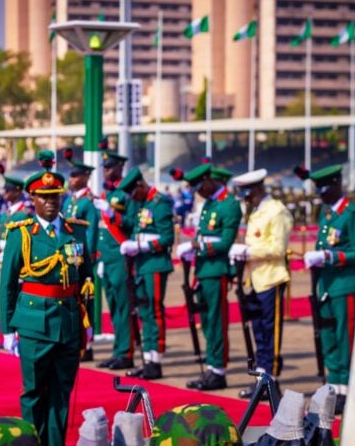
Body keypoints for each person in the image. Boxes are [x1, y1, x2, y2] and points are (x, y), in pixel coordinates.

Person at [0, 168, 93, 446]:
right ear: (33, 199)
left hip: (68, 321)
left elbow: (87, 279)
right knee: (34, 390)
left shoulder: (74, 230)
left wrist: (90, 323)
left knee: (61, 389)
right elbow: (8, 283)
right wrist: (6, 329)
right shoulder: (22, 232)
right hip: (34, 323)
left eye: (55, 196)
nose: (51, 202)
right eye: (44, 197)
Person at [300, 165, 355, 414]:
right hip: (326, 285)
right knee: (328, 337)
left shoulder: (352, 214)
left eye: (324, 189)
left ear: (337, 185)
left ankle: (347, 388)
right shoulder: (327, 213)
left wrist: (328, 256)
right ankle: (334, 384)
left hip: (344, 284)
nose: (321, 194)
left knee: (344, 337)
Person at [175, 164, 242, 391]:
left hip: (217, 270)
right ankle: (212, 366)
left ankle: (218, 370)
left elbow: (225, 242)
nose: (197, 193)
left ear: (206, 182)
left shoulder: (229, 205)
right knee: (206, 321)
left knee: (216, 321)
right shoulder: (211, 204)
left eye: (198, 188)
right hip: (204, 270)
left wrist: (196, 245)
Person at [229, 169, 294, 399]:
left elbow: (277, 249)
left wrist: (248, 252)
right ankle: (261, 380)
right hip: (255, 280)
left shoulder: (276, 212)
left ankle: (271, 380)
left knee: (270, 333)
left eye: (248, 195)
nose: (246, 200)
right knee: (259, 333)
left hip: (271, 278)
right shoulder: (257, 211)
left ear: (257, 190)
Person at [119, 167, 175, 379]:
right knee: (144, 311)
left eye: (134, 193)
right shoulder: (142, 204)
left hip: (155, 264)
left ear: (141, 185)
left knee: (154, 310)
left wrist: (141, 246)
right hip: (142, 265)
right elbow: (137, 228)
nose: (133, 198)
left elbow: (167, 237)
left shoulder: (159, 203)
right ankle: (148, 357)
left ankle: (156, 358)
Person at [93, 175, 138, 370]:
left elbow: (132, 222)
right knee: (113, 307)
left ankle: (126, 352)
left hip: (120, 257)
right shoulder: (106, 193)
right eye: (106, 167)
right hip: (107, 258)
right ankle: (118, 350)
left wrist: (112, 213)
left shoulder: (125, 195)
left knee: (123, 307)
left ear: (120, 168)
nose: (108, 170)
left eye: (111, 167)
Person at [61, 152, 101, 363]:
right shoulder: (69, 202)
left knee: (87, 302)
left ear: (85, 177)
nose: (72, 179)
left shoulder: (88, 202)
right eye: (71, 175)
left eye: (76, 176)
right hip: (69, 260)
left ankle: (89, 344)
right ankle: (76, 341)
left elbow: (92, 233)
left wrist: (90, 260)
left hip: (83, 260)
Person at [0, 177, 30, 254]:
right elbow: (0, 239)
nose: (4, 193)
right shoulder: (5, 214)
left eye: (7, 190)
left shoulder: (24, 214)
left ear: (17, 192)